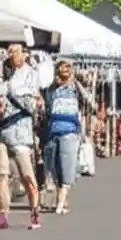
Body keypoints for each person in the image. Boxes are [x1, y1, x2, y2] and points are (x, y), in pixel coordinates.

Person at [0, 44, 42, 231]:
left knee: (27, 175)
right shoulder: (4, 79)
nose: (11, 55)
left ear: (23, 54)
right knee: (1, 173)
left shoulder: (30, 75)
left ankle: (34, 211)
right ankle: (3, 214)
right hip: (3, 132)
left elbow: (31, 104)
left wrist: (13, 93)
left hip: (21, 132)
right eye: (9, 51)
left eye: (15, 51)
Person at [41, 60, 87, 214]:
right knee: (54, 167)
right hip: (53, 131)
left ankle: (61, 201)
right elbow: (46, 108)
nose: (64, 71)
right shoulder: (50, 90)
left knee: (67, 166)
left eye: (67, 68)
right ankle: (63, 198)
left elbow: (88, 102)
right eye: (61, 68)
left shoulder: (75, 88)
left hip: (70, 132)